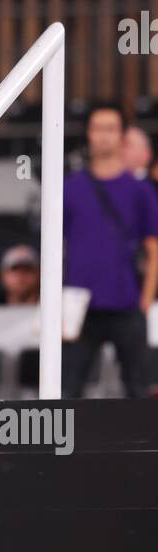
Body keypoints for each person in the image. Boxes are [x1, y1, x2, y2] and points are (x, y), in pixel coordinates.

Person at [62, 101, 158, 398]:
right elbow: (56, 247)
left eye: (110, 129)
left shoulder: (140, 190)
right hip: (78, 305)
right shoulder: (68, 187)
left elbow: (154, 249)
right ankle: (59, 446)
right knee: (66, 390)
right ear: (88, 134)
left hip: (127, 302)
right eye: (97, 128)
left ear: (122, 135)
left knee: (138, 391)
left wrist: (144, 302)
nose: (103, 136)